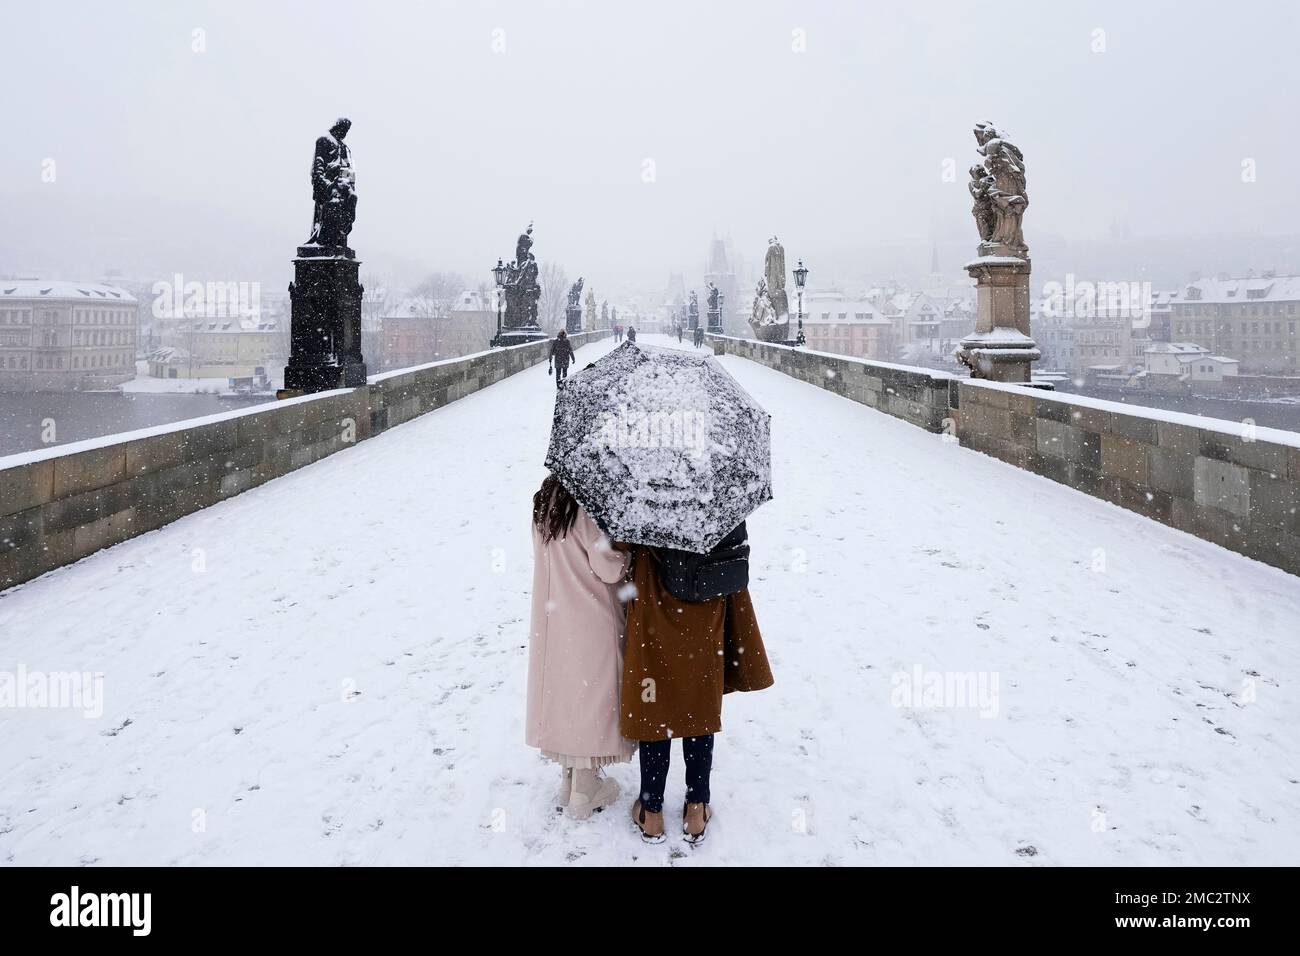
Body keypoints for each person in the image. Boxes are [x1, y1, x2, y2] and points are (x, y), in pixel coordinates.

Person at [621, 540, 774, 844]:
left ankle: (650, 811)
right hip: (705, 598)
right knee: (699, 702)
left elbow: (621, 548)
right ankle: (696, 807)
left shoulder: (643, 496)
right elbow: (735, 552)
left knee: (654, 705)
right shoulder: (714, 498)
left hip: (653, 602)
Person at [525, 475, 634, 819]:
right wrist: (626, 556)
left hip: (554, 616)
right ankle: (584, 791)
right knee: (591, 697)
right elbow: (609, 569)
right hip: (590, 616)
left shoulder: (545, 504)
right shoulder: (584, 505)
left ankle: (568, 781)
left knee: (566, 696)